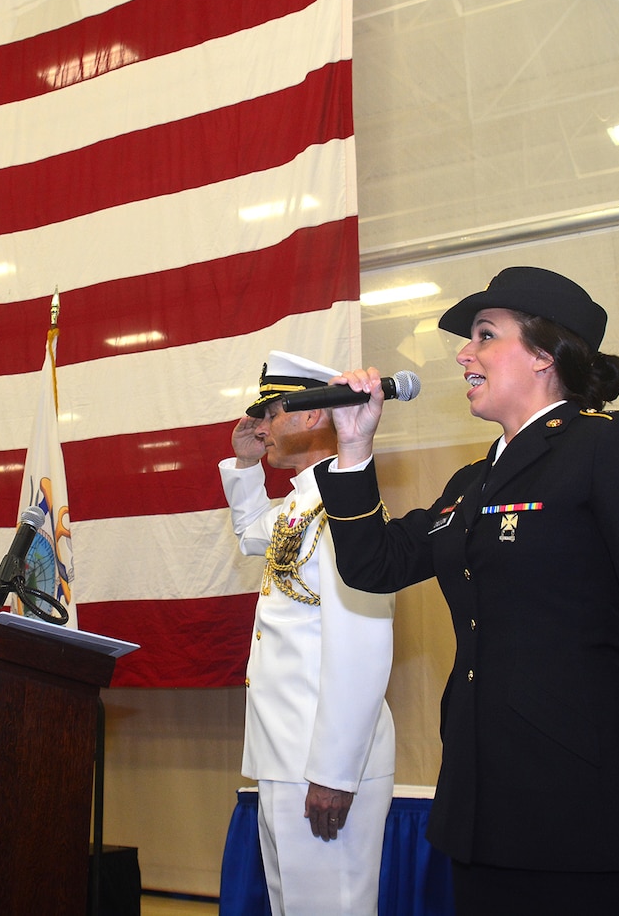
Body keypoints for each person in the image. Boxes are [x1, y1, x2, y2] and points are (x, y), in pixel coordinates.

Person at [315, 267, 619, 915]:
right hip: (482, 811)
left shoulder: (607, 448)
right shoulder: (474, 483)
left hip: (584, 810)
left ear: (544, 354)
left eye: (485, 334)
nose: (463, 353)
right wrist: (356, 446)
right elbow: (376, 565)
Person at [221, 351, 396, 914]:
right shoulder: (304, 502)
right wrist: (246, 467)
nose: (261, 426)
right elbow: (254, 535)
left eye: (271, 413)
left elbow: (360, 648)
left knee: (330, 907)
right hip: (286, 756)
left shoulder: (349, 510)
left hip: (322, 764)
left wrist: (334, 773)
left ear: (312, 416)